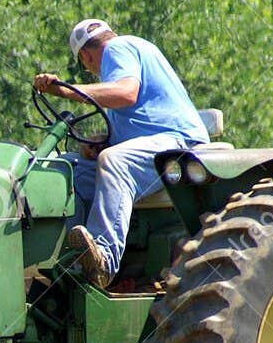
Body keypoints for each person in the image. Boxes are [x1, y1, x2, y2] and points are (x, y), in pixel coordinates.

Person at [34, 19, 207, 290]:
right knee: (69, 170)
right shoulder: (123, 66)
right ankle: (71, 261)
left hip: (178, 145)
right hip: (153, 148)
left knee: (115, 161)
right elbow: (134, 118)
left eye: (86, 64)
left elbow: (127, 94)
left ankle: (103, 261)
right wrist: (97, 143)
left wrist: (66, 90)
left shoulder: (119, 47)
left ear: (86, 56)